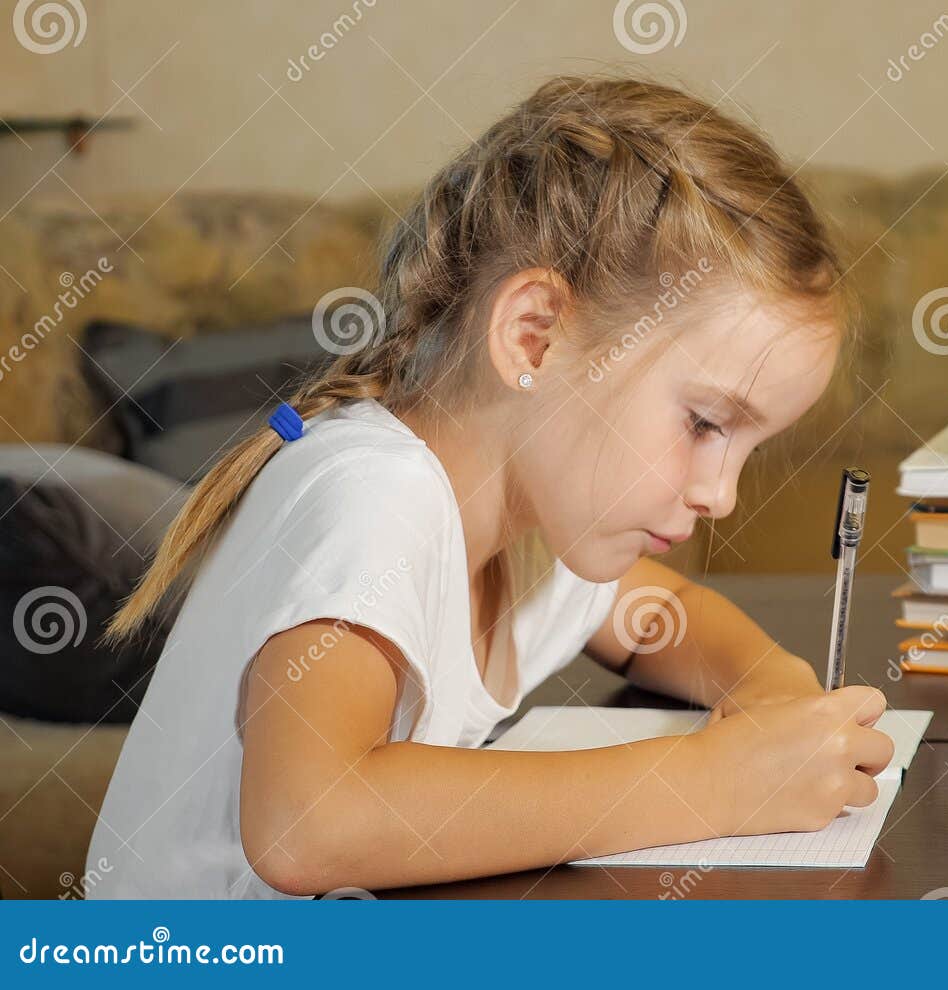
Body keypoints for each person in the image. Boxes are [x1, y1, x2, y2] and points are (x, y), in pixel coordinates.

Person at [89, 75, 891, 898]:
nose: (720, 494)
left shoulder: (533, 524)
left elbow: (658, 618)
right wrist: (716, 782)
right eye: (705, 424)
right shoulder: (373, 494)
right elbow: (308, 824)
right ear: (534, 336)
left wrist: (774, 692)